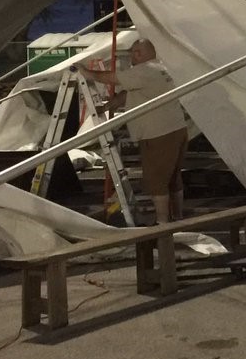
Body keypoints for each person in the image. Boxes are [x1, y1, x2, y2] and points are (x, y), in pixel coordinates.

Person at [76, 38, 187, 223]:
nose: (132, 56)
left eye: (136, 52)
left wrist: (87, 73)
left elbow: (112, 78)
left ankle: (163, 224)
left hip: (158, 134)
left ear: (145, 53)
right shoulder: (160, 69)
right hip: (176, 129)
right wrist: (108, 106)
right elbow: (130, 93)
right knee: (173, 178)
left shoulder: (145, 71)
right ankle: (178, 217)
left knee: (157, 180)